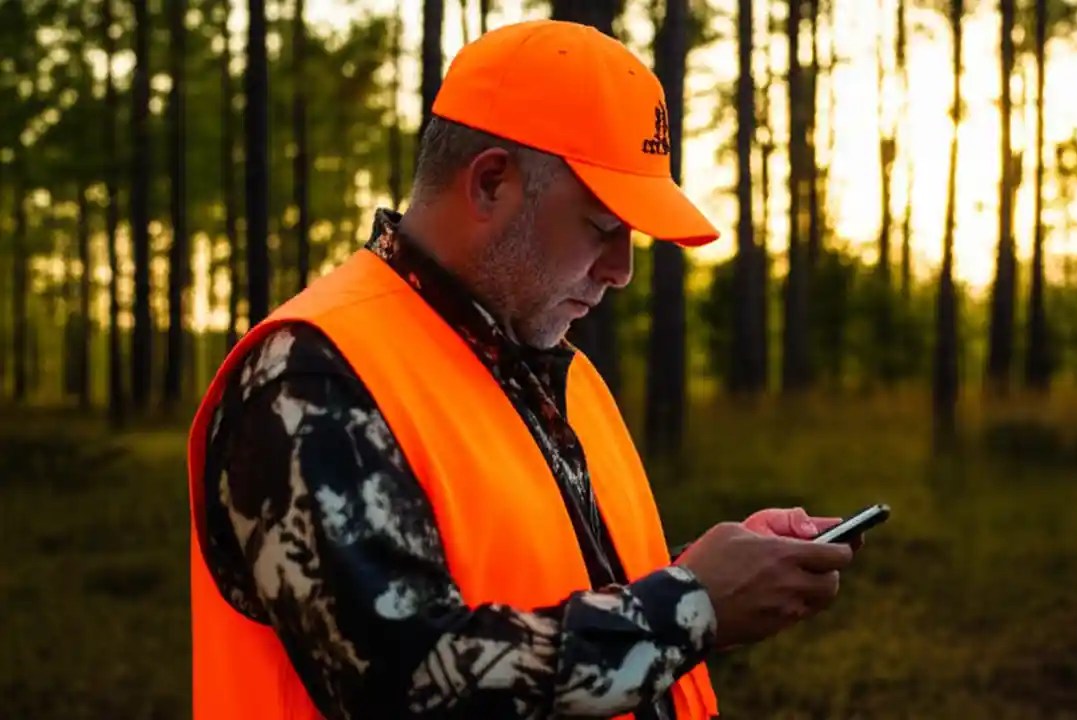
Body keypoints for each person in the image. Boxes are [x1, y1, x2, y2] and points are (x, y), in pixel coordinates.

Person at [186, 19, 860, 720]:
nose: (622, 270)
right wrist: (691, 606)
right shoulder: (309, 379)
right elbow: (407, 683)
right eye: (603, 227)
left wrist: (712, 574)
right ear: (491, 183)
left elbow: (549, 595)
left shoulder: (552, 372)